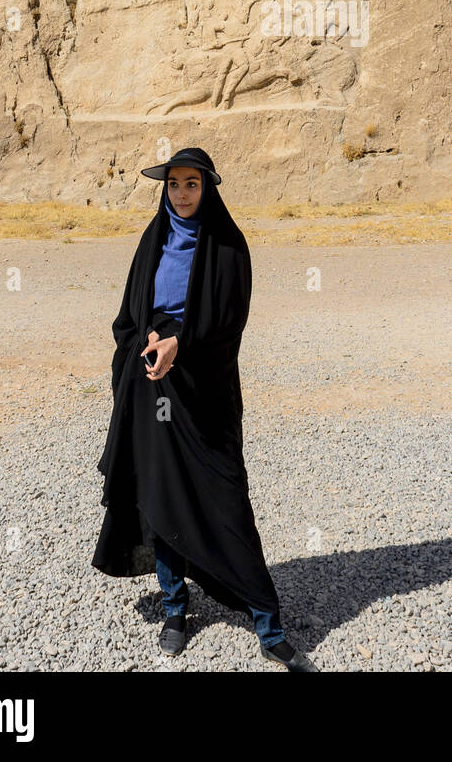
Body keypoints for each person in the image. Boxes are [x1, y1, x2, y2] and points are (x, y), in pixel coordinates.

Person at [92, 145, 317, 672]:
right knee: (159, 493)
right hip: (152, 384)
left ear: (208, 188)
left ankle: (268, 624)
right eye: (174, 184)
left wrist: (180, 345)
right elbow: (127, 315)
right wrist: (147, 339)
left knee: (226, 497)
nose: (182, 194)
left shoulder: (227, 245)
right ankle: (175, 610)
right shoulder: (154, 238)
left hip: (204, 387)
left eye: (192, 184)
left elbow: (229, 323)